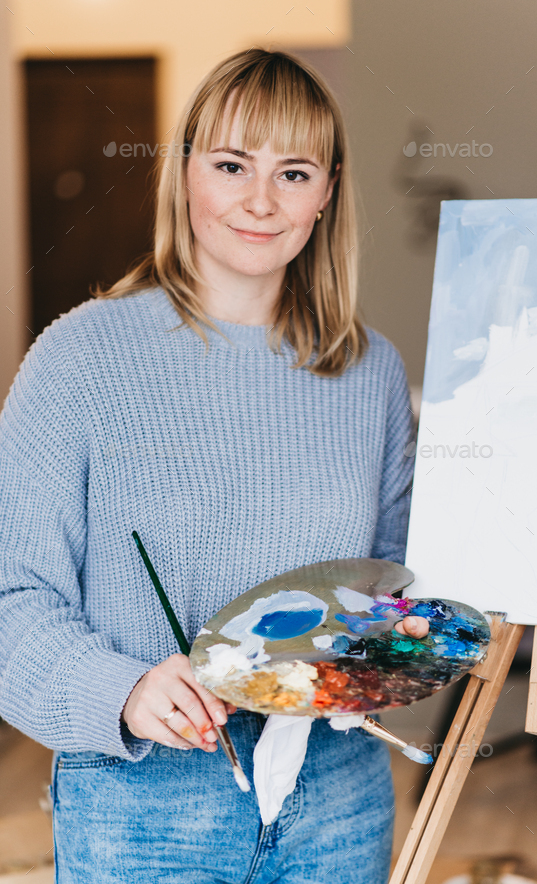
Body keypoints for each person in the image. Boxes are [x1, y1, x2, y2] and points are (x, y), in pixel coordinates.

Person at [0, 49, 427, 883]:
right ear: (184, 171)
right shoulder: (79, 358)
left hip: (336, 796)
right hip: (140, 803)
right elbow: (10, 596)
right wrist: (118, 688)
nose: (261, 201)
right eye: (232, 165)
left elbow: (395, 598)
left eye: (294, 172)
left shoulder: (371, 373)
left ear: (328, 190)